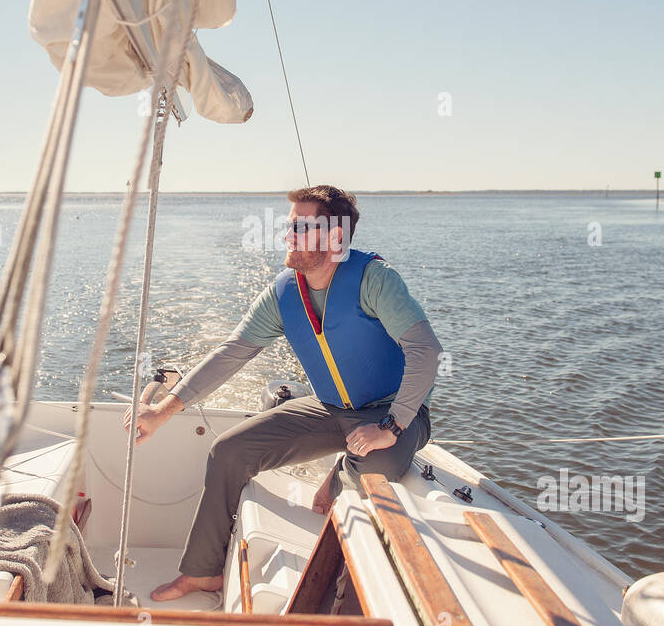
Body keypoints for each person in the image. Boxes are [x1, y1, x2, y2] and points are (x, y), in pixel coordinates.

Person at [123, 185, 443, 601]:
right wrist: (163, 411)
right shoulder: (284, 293)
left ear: (335, 237)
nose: (288, 235)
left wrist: (393, 424)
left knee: (373, 469)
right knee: (229, 452)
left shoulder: (375, 281)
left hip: (393, 416)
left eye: (300, 227)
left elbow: (427, 352)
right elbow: (232, 352)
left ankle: (342, 480)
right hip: (329, 410)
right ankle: (203, 572)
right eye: (288, 225)